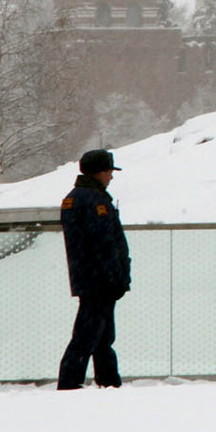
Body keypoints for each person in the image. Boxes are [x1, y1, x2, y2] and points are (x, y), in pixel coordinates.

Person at [57, 148, 131, 390]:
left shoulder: (73, 198)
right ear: (98, 172)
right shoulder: (94, 200)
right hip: (99, 280)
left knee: (101, 335)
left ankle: (108, 381)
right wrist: (116, 277)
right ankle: (70, 383)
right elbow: (104, 243)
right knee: (87, 335)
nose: (111, 176)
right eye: (109, 171)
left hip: (87, 277)